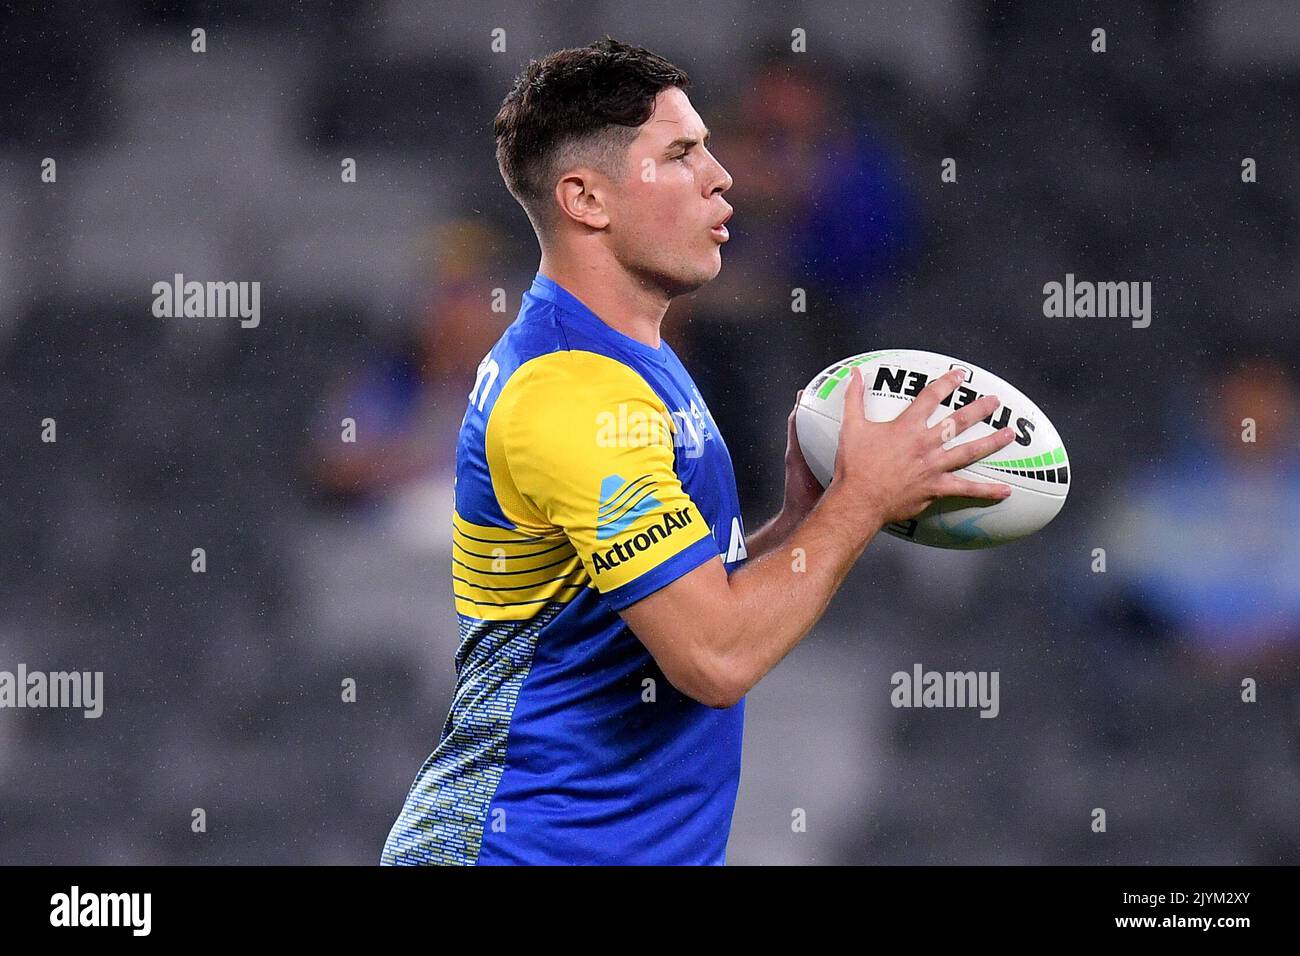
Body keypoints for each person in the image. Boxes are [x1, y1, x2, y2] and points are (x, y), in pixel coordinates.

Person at [381, 37, 1014, 866]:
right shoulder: (573, 394)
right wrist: (861, 504)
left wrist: (800, 523)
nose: (724, 176)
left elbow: (660, 600)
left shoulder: (637, 361)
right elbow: (713, 656)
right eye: (681, 155)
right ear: (585, 198)